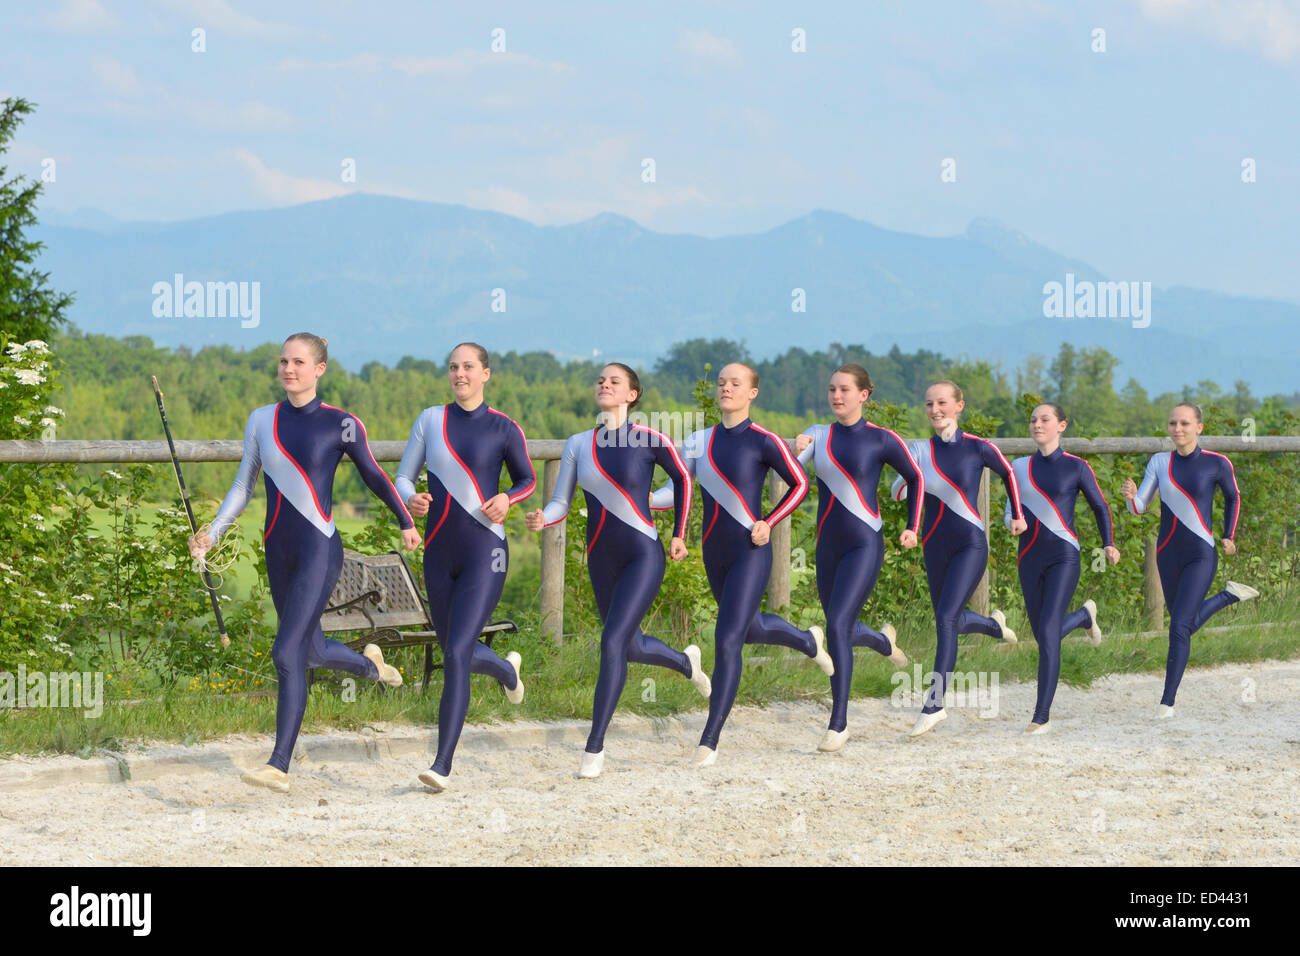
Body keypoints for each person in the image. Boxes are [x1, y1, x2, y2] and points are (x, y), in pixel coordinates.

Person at [190, 333, 419, 793]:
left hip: (319, 550)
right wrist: (212, 532)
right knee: (310, 651)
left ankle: (278, 764)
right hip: (278, 550)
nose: (288, 369)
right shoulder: (262, 419)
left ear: (320, 369)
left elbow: (374, 475)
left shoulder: (343, 424)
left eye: (298, 362)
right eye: (283, 361)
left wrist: (405, 520)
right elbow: (242, 485)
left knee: (285, 651)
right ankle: (371, 666)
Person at [525, 363, 710, 778]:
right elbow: (561, 502)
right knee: (629, 646)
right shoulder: (578, 444)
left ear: (632, 395)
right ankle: (686, 664)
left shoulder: (650, 439)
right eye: (600, 380)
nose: (605, 385)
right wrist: (545, 518)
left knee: (611, 641)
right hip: (601, 559)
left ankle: (594, 747)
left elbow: (682, 478)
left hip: (644, 555)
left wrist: (679, 534)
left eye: (615, 382)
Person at [653, 362, 834, 766]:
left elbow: (800, 484)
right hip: (714, 552)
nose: (726, 388)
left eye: (735, 383)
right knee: (748, 628)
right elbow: (672, 489)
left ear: (752, 393)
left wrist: (769, 521)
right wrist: (638, 500)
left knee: (727, 638)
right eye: (721, 383)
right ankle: (807, 641)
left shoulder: (764, 440)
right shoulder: (698, 441)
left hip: (751, 551)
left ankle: (709, 739)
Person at [396, 343, 536, 793]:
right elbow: (403, 477)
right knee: (455, 647)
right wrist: (410, 498)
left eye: (468, 367)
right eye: (453, 367)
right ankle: (505, 671)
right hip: (438, 553)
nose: (460, 374)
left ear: (486, 374)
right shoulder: (429, 420)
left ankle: (442, 764)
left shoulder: (503, 427)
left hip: (486, 553)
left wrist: (507, 499)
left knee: (455, 652)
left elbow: (527, 479)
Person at [793, 364, 920, 752]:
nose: (836, 396)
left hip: (864, 544)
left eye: (845, 389)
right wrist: (794, 449)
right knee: (839, 628)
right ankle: (883, 641)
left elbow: (915, 478)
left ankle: (839, 722)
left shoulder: (882, 439)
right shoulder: (818, 435)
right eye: (832, 389)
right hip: (826, 546)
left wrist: (912, 527)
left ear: (864, 395)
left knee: (837, 625)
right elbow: (792, 472)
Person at [889, 381, 1027, 738]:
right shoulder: (919, 450)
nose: (935, 409)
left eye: (942, 403)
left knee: (947, 618)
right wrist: (909, 510)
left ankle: (934, 704)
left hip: (970, 545)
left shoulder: (978, 447)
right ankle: (994, 627)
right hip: (935, 546)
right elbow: (900, 488)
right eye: (929, 403)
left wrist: (1016, 514)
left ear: (959, 406)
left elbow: (1009, 473)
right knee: (948, 618)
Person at [1121, 402, 1258, 718]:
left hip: (1201, 554)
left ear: (1199, 427)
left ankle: (1166, 702)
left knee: (1179, 626)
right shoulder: (1158, 462)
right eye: (1172, 424)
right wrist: (1130, 497)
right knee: (1186, 622)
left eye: (1184, 423)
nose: (1177, 429)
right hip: (1167, 554)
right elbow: (1140, 508)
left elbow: (1233, 496)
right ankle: (1228, 595)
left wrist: (1228, 534)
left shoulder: (1217, 463)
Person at [1003, 403, 1119, 734]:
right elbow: (1011, 510)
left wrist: (1108, 543)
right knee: (1043, 635)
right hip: (1028, 557)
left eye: (1045, 420)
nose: (1037, 424)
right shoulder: (1018, 467)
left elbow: (1100, 506)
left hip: (1063, 556)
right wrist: (1012, 521)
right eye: (1033, 420)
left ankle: (1041, 716)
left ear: (1062, 426)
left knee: (1050, 633)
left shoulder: (1076, 467)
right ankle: (1084, 617)